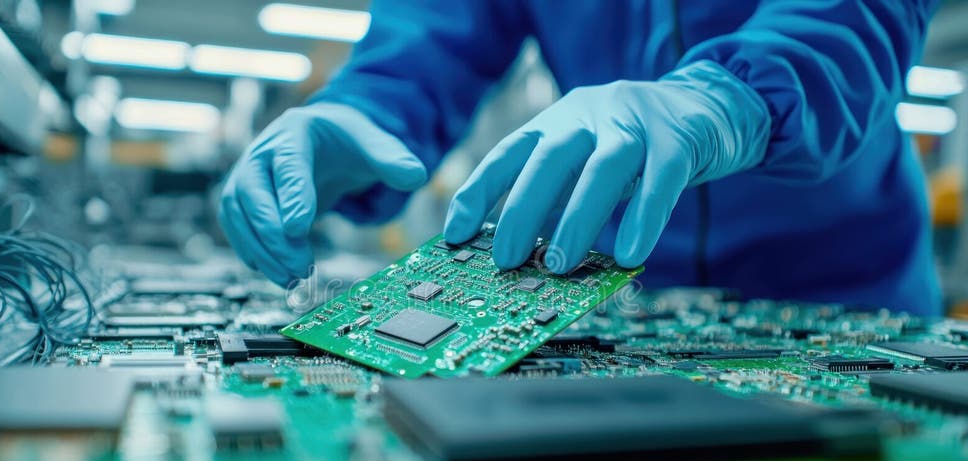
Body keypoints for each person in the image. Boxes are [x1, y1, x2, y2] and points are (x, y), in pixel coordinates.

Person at [219, 1, 941, 315]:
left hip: (848, 296)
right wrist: (357, 117)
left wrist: (734, 102)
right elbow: (436, 33)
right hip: (616, 298)